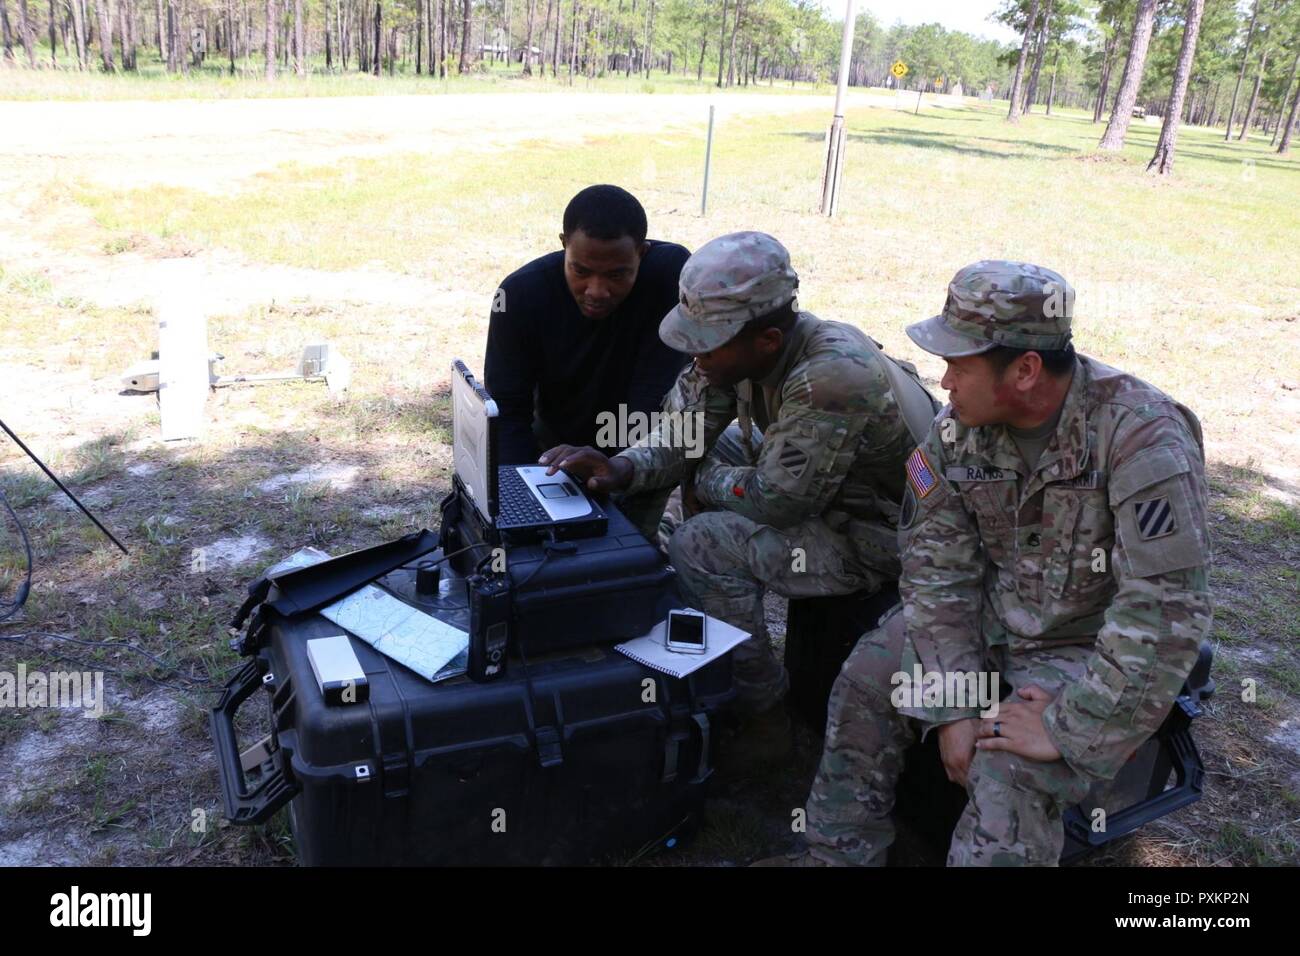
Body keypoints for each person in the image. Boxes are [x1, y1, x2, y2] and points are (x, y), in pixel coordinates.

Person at [767, 260, 1213, 866]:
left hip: (1088, 646)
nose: (943, 381)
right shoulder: (958, 434)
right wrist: (954, 703)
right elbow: (935, 571)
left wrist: (1069, 726)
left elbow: (1162, 615)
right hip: (992, 618)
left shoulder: (1142, 437)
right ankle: (836, 855)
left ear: (1026, 369)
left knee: (1011, 768)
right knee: (867, 679)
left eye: (959, 363)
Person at [538, 232, 931, 766]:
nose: (694, 355)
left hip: (892, 538)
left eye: (706, 342)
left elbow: (777, 501)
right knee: (687, 473)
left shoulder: (831, 376)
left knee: (703, 544)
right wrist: (621, 467)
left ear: (766, 339)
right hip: (835, 496)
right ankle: (644, 623)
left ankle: (762, 717)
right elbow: (681, 435)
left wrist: (707, 481)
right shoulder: (742, 352)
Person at [484, 184, 690, 465]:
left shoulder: (669, 276)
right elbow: (507, 408)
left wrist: (616, 468)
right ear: (563, 244)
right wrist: (522, 485)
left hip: (642, 443)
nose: (596, 291)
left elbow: (652, 390)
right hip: (557, 448)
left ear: (641, 253)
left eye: (617, 275)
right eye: (580, 271)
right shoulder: (519, 295)